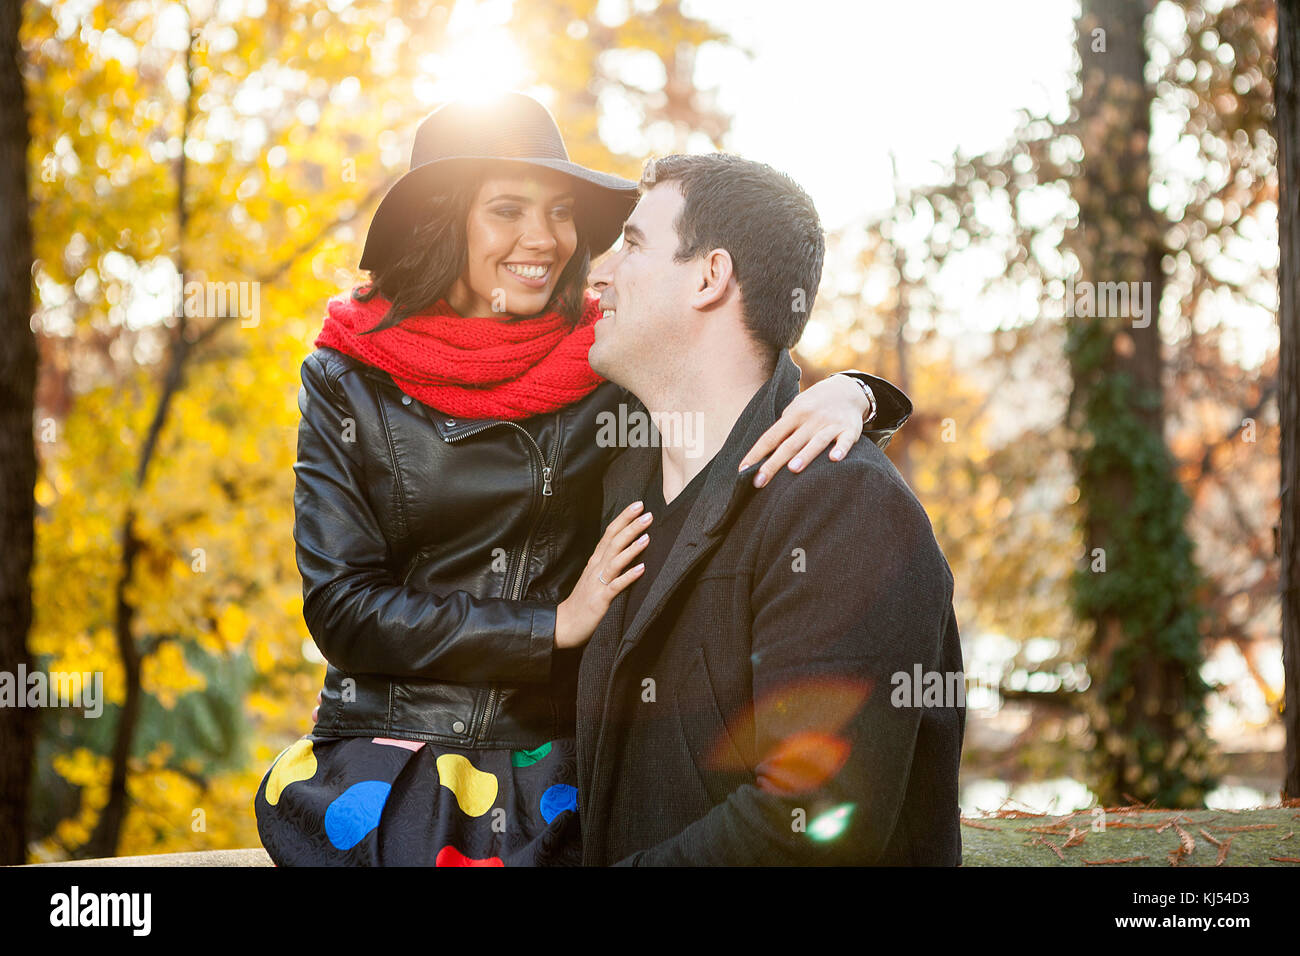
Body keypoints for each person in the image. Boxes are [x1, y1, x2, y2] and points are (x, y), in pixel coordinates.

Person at [252, 92, 909, 866]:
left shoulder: (607, 356)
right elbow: (340, 604)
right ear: (442, 219)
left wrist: (857, 392)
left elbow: (735, 363)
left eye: (562, 211)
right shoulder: (345, 373)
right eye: (507, 209)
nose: (546, 239)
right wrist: (551, 625)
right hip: (388, 748)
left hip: (553, 761)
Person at [575, 153, 965, 866]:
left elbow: (810, 827)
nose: (597, 273)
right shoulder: (622, 485)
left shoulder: (843, 508)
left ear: (710, 276)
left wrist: (859, 394)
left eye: (631, 243)